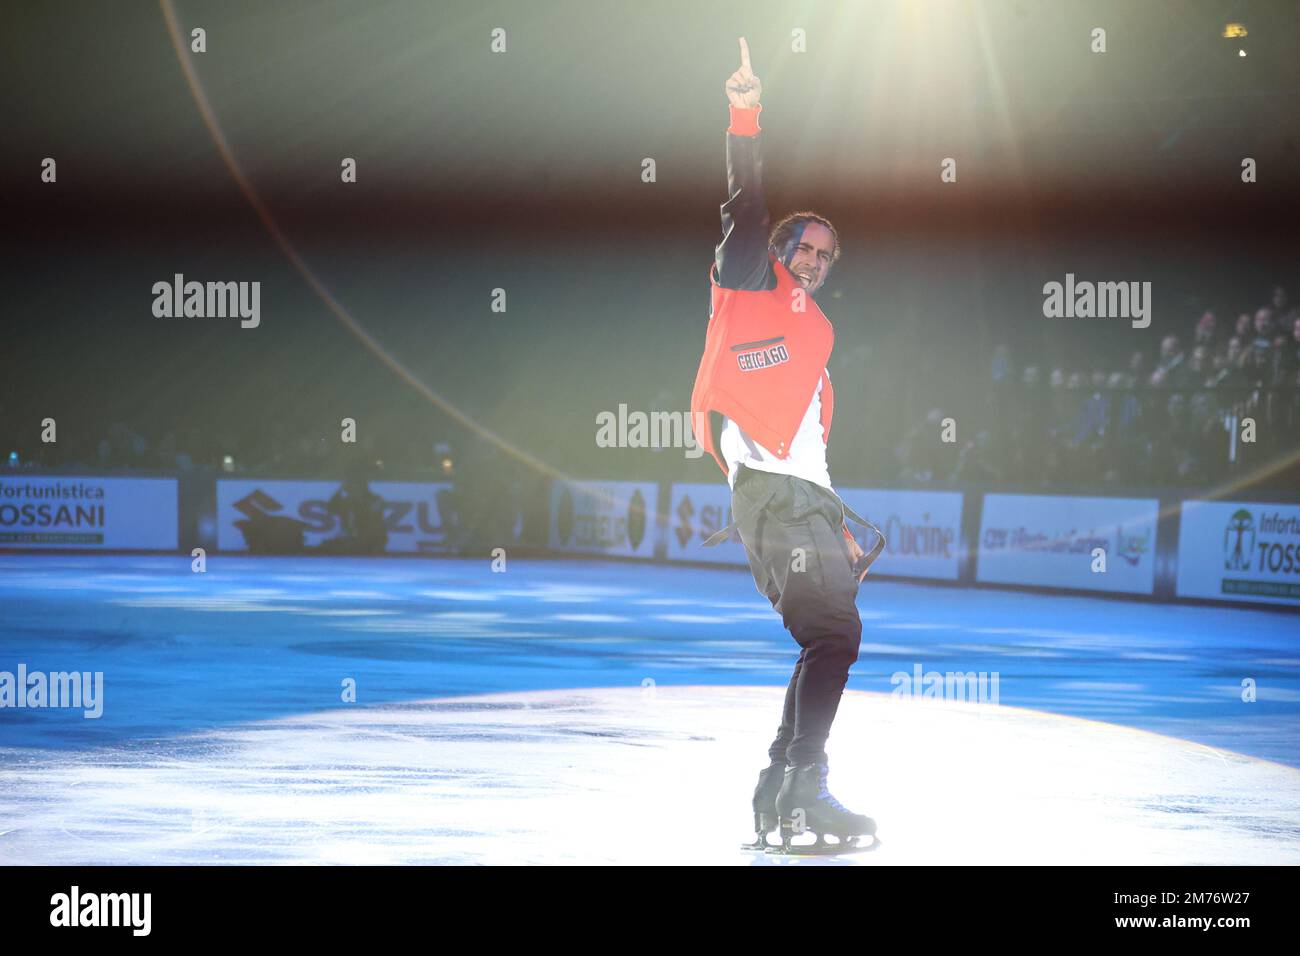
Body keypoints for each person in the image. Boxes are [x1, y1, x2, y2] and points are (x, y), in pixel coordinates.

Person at [689, 38, 883, 854]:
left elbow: (812, 446)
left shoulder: (819, 344)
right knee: (834, 639)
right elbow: (746, 204)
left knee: (828, 640)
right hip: (769, 501)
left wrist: (836, 517)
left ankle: (783, 792)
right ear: (778, 251)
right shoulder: (745, 285)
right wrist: (745, 113)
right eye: (804, 248)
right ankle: (801, 792)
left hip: (802, 502)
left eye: (826, 257)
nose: (814, 261)